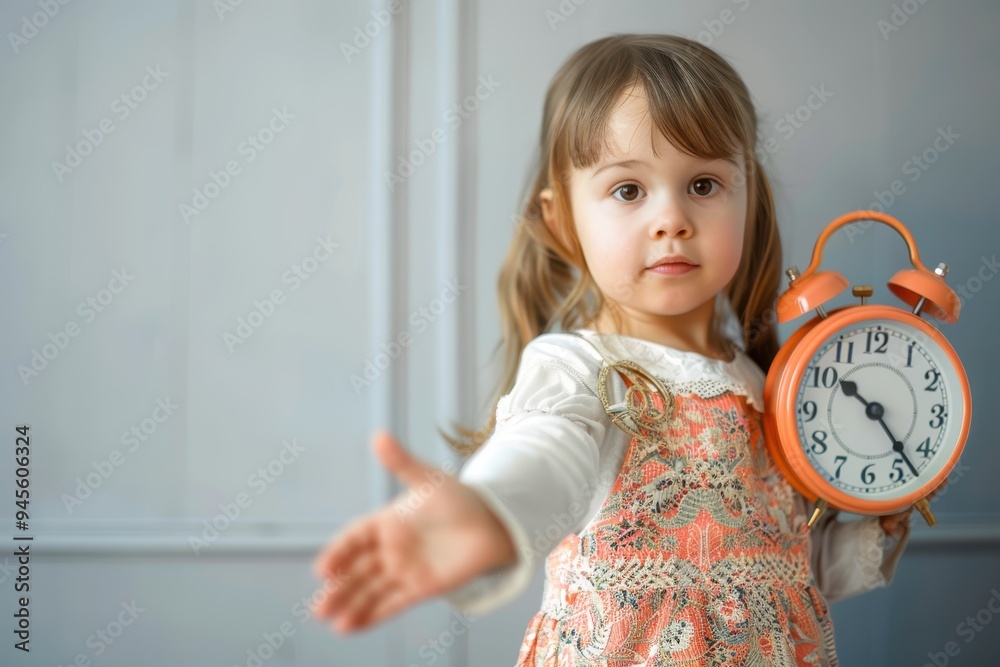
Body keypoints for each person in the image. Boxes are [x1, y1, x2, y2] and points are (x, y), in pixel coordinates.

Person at [311, 34, 945, 665]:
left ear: (749, 201)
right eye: (628, 191)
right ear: (561, 220)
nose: (671, 219)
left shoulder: (767, 383)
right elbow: (543, 459)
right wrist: (487, 511)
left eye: (702, 184)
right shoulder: (582, 373)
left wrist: (869, 530)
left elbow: (790, 575)